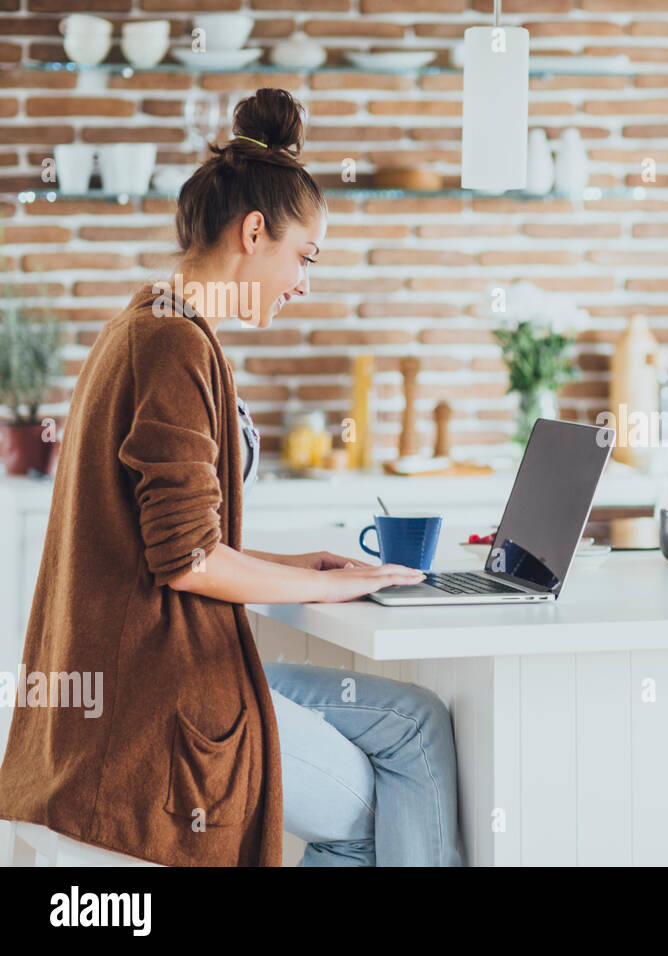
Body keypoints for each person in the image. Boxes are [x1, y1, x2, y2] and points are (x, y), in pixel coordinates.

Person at [0, 88, 461, 867]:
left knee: (415, 719)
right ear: (255, 233)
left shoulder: (149, 320)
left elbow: (182, 542)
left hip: (157, 664)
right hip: (157, 695)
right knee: (384, 801)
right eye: (304, 257)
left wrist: (302, 565)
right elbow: (188, 561)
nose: (305, 283)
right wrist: (325, 588)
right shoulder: (172, 343)